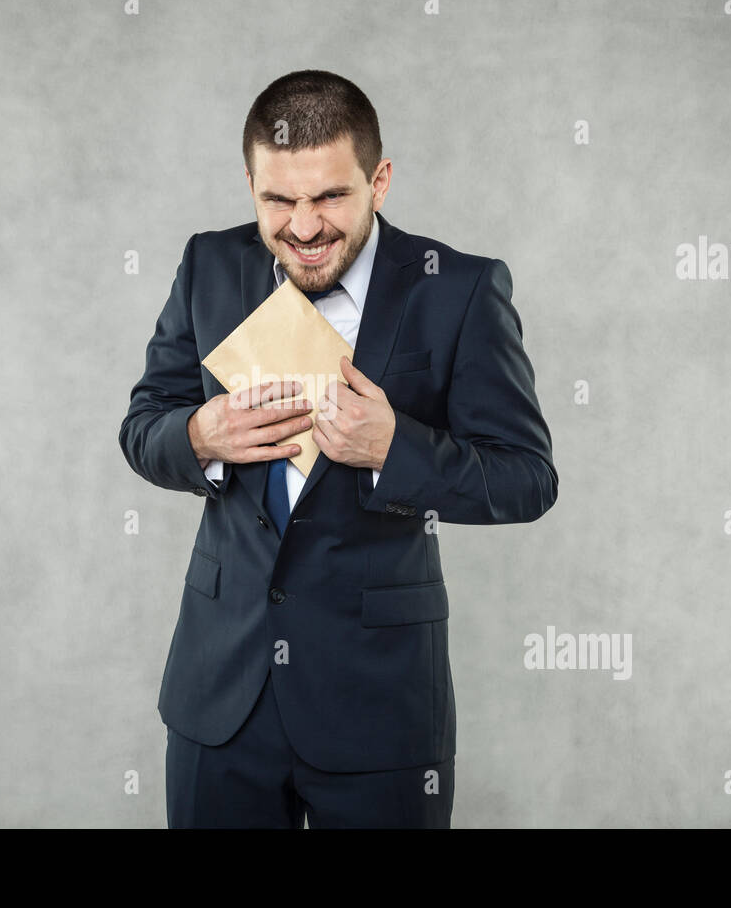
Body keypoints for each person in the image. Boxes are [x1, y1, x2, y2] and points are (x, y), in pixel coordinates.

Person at [118, 69, 558, 827]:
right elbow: (144, 424)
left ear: (379, 180)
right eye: (277, 200)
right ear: (250, 183)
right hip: (219, 698)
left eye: (330, 197)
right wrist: (199, 435)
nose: (304, 226)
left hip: (379, 707)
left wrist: (398, 448)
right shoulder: (208, 266)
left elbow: (527, 478)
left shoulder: (458, 289)